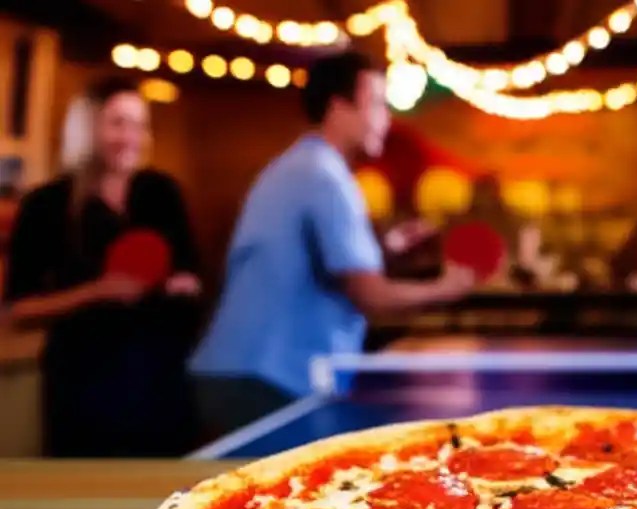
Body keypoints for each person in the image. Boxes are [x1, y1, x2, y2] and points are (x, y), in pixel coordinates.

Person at [190, 52, 474, 437]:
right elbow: (369, 294)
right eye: (375, 103)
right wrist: (447, 288)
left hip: (241, 373)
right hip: (262, 379)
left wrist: (386, 248)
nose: (385, 119)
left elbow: (317, 263)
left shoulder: (300, 165)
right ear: (339, 109)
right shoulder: (326, 177)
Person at [3, 77, 203, 457]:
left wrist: (184, 283)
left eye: (140, 125)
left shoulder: (162, 193)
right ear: (87, 128)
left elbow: (190, 273)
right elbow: (18, 309)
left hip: (161, 381)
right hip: (84, 387)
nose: (131, 136)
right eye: (118, 123)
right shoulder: (45, 206)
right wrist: (97, 290)